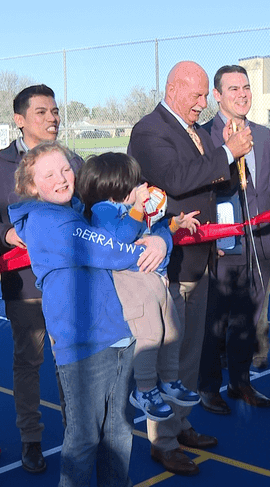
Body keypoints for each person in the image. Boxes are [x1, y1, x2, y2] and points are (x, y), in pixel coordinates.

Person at [8, 142, 160, 487]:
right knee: (84, 434)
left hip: (118, 330)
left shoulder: (78, 211)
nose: (60, 179)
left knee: (118, 426)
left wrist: (159, 238)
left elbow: (131, 238)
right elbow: (111, 251)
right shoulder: (46, 221)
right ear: (32, 185)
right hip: (81, 341)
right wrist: (143, 228)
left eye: (64, 170)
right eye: (48, 175)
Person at [128, 61, 238, 475]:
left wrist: (225, 151)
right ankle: (163, 441)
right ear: (173, 90)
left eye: (205, 94)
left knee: (190, 350)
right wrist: (226, 153)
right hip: (169, 262)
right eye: (196, 95)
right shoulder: (150, 130)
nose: (203, 102)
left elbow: (212, 183)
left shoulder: (196, 132)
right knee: (166, 356)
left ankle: (179, 423)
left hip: (201, 255)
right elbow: (175, 179)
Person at [0, 84, 82, 475]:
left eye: (55, 111)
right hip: (26, 285)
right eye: (42, 112)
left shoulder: (74, 161)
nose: (52, 118)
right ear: (19, 120)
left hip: (71, 282)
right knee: (29, 362)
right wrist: (6, 233)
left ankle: (78, 434)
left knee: (71, 362)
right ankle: (31, 440)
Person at [78, 152, 201, 425]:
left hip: (154, 278)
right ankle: (145, 389)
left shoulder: (126, 210)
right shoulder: (103, 211)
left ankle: (170, 380)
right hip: (132, 280)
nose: (139, 188)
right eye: (134, 184)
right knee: (150, 334)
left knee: (173, 330)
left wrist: (172, 225)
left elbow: (148, 231)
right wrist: (138, 207)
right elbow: (123, 236)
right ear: (117, 186)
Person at [198, 64, 270, 412]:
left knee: (249, 317)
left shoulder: (263, 135)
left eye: (245, 87)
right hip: (224, 242)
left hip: (260, 240)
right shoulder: (203, 136)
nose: (242, 94)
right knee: (217, 320)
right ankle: (209, 386)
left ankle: (241, 382)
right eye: (233, 89)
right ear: (217, 95)